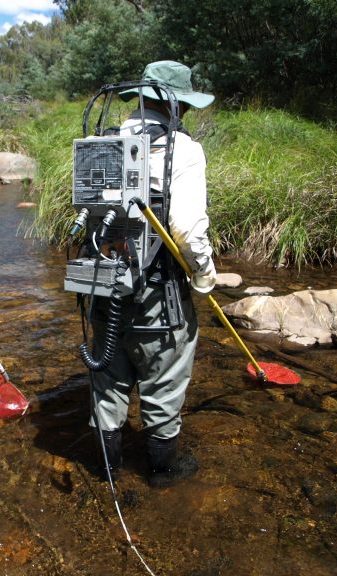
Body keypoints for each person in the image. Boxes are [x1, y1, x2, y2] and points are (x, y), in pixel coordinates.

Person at [88, 61, 217, 487]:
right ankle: (161, 476)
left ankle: (105, 475)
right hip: (159, 298)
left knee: (109, 382)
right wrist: (204, 274)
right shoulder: (184, 150)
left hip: (102, 287)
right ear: (178, 105)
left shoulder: (101, 141)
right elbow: (188, 231)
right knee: (163, 384)